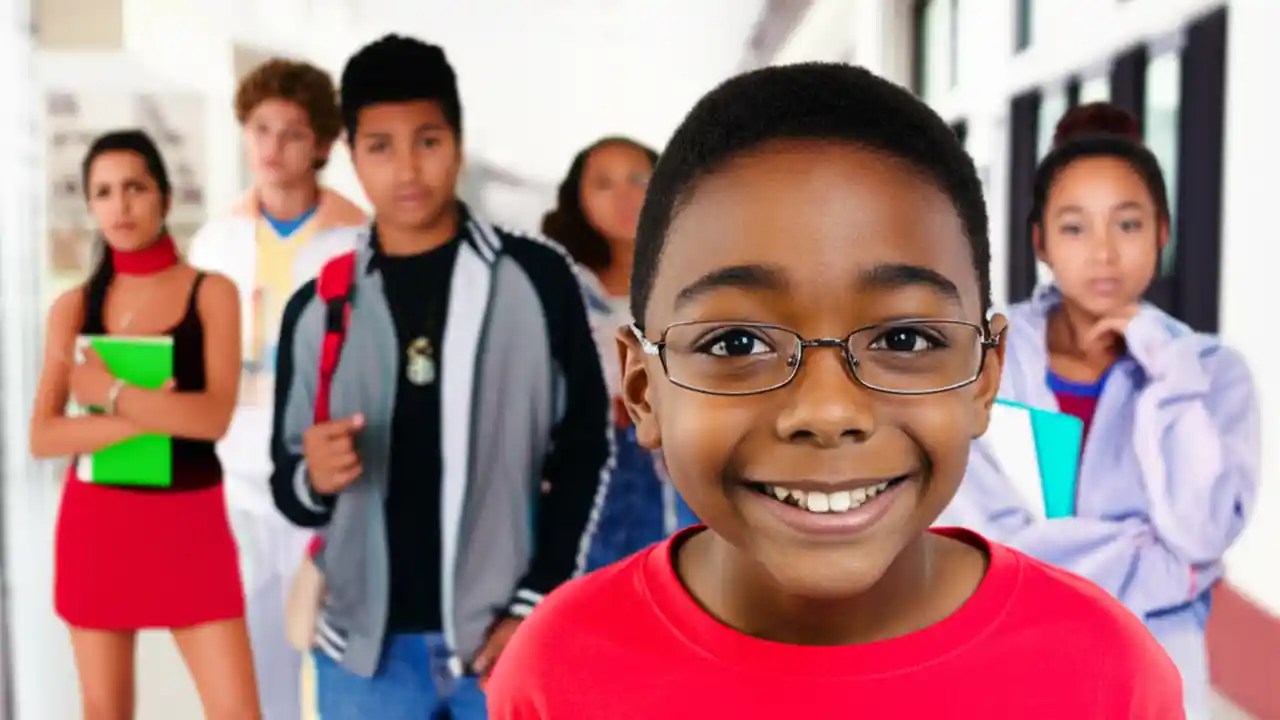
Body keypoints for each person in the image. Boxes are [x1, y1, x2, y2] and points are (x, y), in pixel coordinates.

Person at [486, 64, 1185, 719]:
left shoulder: (1104, 672)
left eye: (904, 338)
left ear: (985, 376)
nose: (828, 412)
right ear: (643, 388)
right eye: (737, 343)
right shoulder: (559, 670)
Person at [269, 35, 611, 718]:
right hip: (363, 660)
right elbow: (291, 487)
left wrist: (534, 603)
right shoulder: (320, 307)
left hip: (501, 646)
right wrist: (316, 475)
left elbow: (582, 449)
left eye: (427, 141)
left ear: (457, 141)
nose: (407, 168)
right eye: (380, 146)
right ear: (352, 156)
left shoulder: (536, 279)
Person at [940, 103, 1259, 717]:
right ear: (1040, 241)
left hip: (1152, 671)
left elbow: (1199, 534)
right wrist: (1149, 554)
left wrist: (1167, 368)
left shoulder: (1211, 372)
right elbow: (975, 544)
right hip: (1011, 665)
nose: (1104, 253)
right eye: (1075, 227)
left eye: (1128, 224)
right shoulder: (983, 355)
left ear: (1162, 233)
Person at [30, 130, 259, 719]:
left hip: (190, 524)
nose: (120, 205)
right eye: (103, 192)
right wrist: (150, 414)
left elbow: (212, 418)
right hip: (98, 527)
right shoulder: (73, 307)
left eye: (135, 187)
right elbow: (45, 436)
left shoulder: (212, 294)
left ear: (164, 196)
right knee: (105, 712)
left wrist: (110, 395)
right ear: (90, 205)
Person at [187, 56, 366, 720]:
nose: (272, 147)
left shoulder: (358, 241)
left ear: (322, 145)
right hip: (232, 475)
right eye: (260, 129)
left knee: (336, 643)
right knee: (252, 657)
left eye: (291, 133)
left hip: (327, 475)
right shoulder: (215, 242)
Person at [542, 137, 691, 567]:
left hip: (687, 468)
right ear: (578, 199)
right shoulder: (560, 287)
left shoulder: (699, 276)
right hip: (597, 477)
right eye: (604, 184)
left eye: (638, 179)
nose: (624, 197)